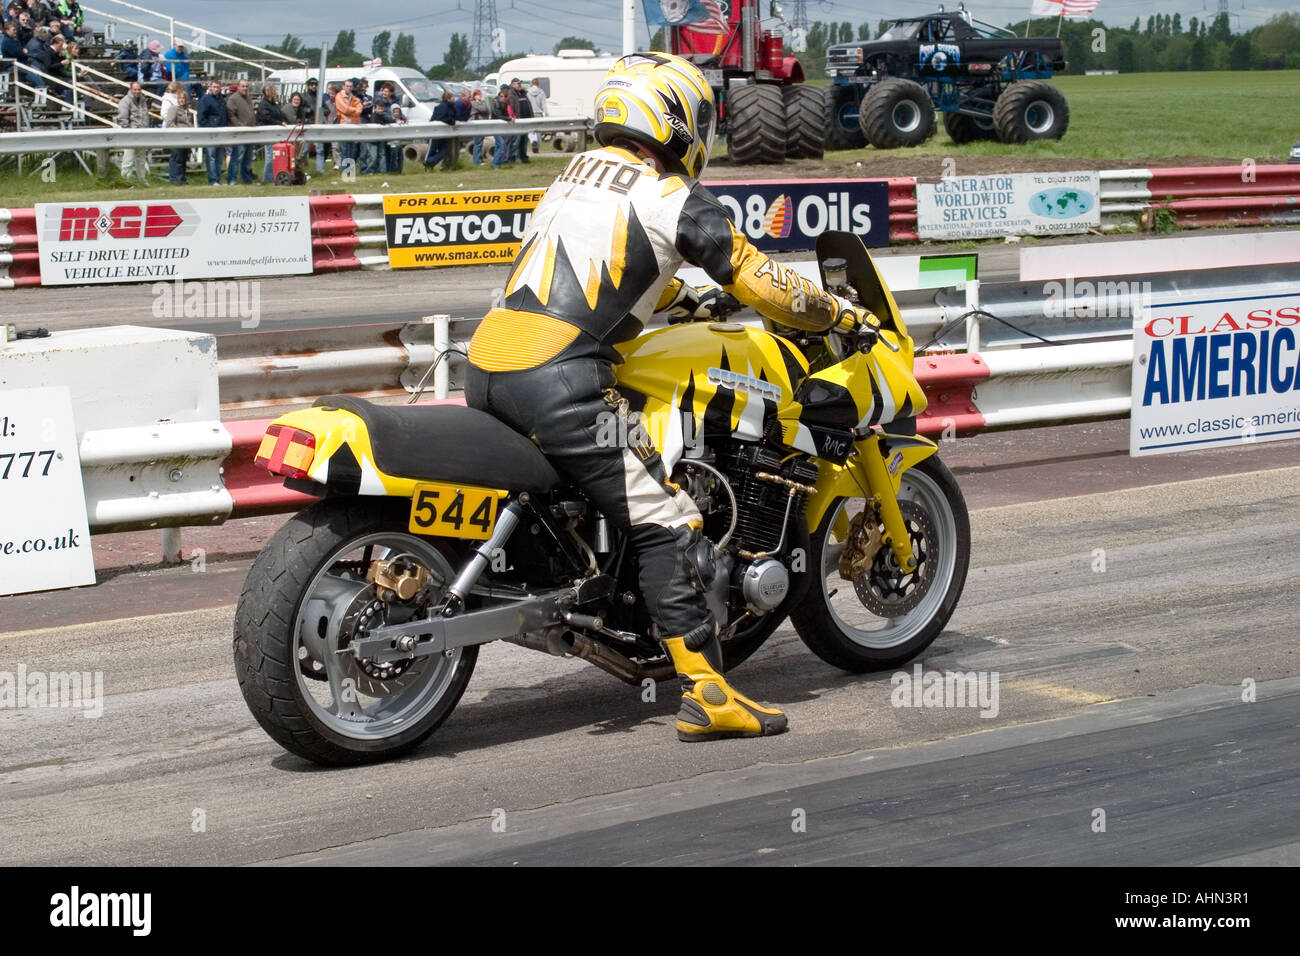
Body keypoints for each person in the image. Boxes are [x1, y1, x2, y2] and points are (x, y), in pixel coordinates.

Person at [464, 52, 881, 743]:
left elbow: (603, 275)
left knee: (600, 493)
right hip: (557, 380)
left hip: (488, 364)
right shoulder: (669, 196)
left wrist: (684, 299)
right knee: (668, 517)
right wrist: (832, 313)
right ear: (678, 120)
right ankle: (708, 693)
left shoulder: (571, 179)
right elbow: (756, 276)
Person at [116, 79, 151, 182]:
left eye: (139, 89)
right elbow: (123, 119)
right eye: (135, 89)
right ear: (130, 89)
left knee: (141, 159)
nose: (137, 91)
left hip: (142, 133)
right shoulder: (125, 101)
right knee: (128, 159)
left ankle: (142, 180)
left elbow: (145, 117)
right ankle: (125, 180)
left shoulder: (143, 100)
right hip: (131, 134)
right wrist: (128, 132)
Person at [195, 78, 227, 185]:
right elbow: (201, 118)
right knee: (211, 156)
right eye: (214, 87)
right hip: (210, 132)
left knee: (219, 158)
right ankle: (213, 179)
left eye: (218, 87)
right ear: (210, 87)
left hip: (221, 132)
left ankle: (217, 178)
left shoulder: (222, 100)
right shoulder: (205, 99)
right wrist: (209, 127)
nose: (216, 89)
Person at [225, 77, 255, 184]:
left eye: (247, 86)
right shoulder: (233, 99)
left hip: (250, 133)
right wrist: (239, 126)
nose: (245, 88)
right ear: (238, 87)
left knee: (247, 159)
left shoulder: (248, 98)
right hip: (239, 133)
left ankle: (246, 178)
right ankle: (232, 179)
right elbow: (231, 115)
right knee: (236, 157)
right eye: (243, 86)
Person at [255, 82, 288, 183]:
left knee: (274, 155)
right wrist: (279, 122)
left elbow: (280, 114)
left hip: (275, 132)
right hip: (269, 132)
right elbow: (266, 117)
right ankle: (267, 178)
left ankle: (273, 175)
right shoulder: (264, 104)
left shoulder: (273, 104)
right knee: (270, 155)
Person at [163, 86, 192, 185]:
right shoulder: (174, 109)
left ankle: (182, 178)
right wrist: (179, 131)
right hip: (176, 138)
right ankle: (175, 179)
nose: (182, 100)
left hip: (186, 138)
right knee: (176, 158)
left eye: (183, 98)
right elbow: (169, 123)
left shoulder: (187, 111)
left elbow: (189, 123)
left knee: (183, 159)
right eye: (180, 98)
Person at [422, 89, 456, 171]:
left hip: (442, 132)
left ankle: (429, 163)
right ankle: (428, 162)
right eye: (452, 97)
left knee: (444, 151)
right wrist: (451, 121)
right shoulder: (442, 107)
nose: (454, 98)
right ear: (448, 98)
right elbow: (442, 118)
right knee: (434, 150)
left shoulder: (449, 107)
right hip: (435, 132)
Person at [334, 77, 362, 173]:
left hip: (353, 127)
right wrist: (353, 110)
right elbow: (344, 109)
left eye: (350, 86)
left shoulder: (353, 98)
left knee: (353, 151)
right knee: (345, 150)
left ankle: (350, 170)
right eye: (347, 86)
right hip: (344, 127)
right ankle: (345, 171)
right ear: (343, 86)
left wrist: (351, 111)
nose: (349, 88)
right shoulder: (339, 96)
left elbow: (359, 110)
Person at [489, 84, 514, 168]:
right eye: (501, 96)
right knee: (502, 145)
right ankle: (495, 164)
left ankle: (496, 163)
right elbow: (498, 115)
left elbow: (505, 114)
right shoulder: (496, 102)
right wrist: (508, 119)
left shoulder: (504, 103)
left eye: (504, 96)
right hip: (495, 127)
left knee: (499, 146)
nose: (502, 98)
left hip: (500, 127)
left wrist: (508, 118)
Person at [509, 76, 531, 163]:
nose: (519, 85)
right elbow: (511, 107)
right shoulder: (511, 94)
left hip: (525, 120)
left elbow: (528, 106)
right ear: (513, 84)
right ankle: (512, 158)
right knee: (515, 141)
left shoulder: (523, 93)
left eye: (520, 83)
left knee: (524, 141)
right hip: (517, 121)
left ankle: (523, 157)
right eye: (518, 83)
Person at [468, 87, 490, 165]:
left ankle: (479, 159)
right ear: (474, 96)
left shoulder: (480, 102)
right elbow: (483, 109)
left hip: (482, 125)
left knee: (480, 142)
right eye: (477, 94)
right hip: (477, 125)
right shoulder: (473, 103)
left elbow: (488, 110)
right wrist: (483, 101)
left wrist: (483, 102)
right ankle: (477, 160)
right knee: (478, 143)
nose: (479, 96)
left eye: (480, 94)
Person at [526, 77, 547, 154]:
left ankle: (533, 140)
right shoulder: (541, 92)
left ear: (532, 83)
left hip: (530, 113)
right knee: (538, 130)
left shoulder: (527, 92)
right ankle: (537, 147)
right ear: (538, 84)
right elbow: (544, 104)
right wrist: (546, 113)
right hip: (538, 113)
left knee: (531, 130)